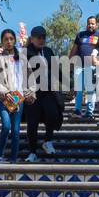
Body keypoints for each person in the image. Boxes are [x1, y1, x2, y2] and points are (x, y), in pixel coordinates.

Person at [0, 28, 28, 163]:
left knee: (16, 131)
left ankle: (14, 159)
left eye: (11, 39)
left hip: (18, 97)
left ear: (15, 40)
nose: (9, 42)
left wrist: (28, 92)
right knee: (6, 126)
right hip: (4, 98)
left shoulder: (21, 58)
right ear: (2, 42)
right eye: (6, 39)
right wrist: (5, 92)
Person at [23, 25, 61, 161]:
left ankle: (47, 141)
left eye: (44, 37)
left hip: (48, 91)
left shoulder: (48, 51)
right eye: (39, 37)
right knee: (32, 123)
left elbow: (57, 70)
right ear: (32, 39)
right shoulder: (25, 53)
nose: (41, 39)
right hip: (32, 93)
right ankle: (32, 152)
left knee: (53, 115)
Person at [70, 16, 99, 118]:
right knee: (78, 90)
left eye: (92, 23)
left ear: (96, 24)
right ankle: (77, 110)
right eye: (89, 23)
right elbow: (74, 50)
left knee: (90, 89)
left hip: (91, 66)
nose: (90, 25)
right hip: (79, 65)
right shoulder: (80, 35)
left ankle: (89, 112)